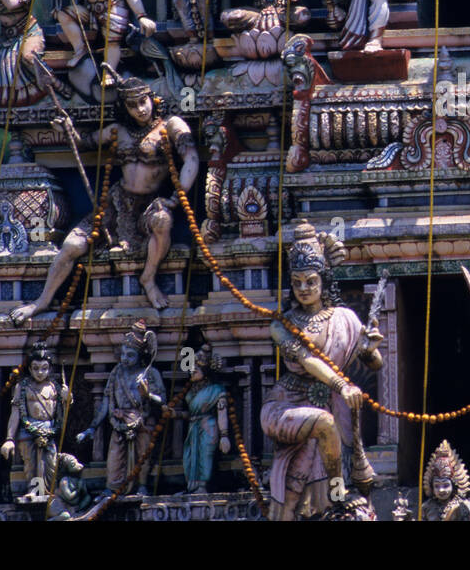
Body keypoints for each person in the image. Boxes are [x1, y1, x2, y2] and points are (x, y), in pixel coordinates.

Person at [8, 74, 200, 322]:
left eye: (143, 102)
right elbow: (84, 143)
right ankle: (41, 302)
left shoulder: (171, 126)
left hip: (149, 206)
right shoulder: (116, 131)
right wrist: (67, 128)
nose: (140, 109)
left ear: (152, 99)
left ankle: (148, 278)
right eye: (133, 105)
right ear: (125, 108)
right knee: (71, 246)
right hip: (116, 205)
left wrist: (176, 198)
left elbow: (192, 159)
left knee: (162, 220)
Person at [260, 222, 384, 520]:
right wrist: (342, 386)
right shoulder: (282, 324)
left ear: (324, 282)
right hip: (286, 403)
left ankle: (330, 502)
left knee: (298, 479)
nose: (303, 289)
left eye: (311, 281)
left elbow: (375, 364)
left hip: (331, 405)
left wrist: (368, 350)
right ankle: (339, 492)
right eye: (297, 282)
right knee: (323, 424)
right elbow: (307, 360)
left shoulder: (344, 318)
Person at [77, 320, 165, 495]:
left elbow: (162, 401)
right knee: (115, 458)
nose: (124, 358)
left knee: (143, 457)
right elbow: (106, 402)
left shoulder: (150, 374)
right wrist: (92, 428)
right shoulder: (117, 372)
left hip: (143, 422)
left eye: (130, 355)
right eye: (123, 354)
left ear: (141, 356)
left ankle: (142, 486)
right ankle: (112, 487)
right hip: (119, 422)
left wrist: (148, 395)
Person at [1, 343, 71, 498]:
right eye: (36, 368)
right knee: (31, 465)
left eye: (44, 368)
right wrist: (9, 438)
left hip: (49, 430)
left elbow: (62, 414)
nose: (40, 372)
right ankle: (34, 491)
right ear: (30, 369)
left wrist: (67, 399)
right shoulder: (23, 386)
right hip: (28, 430)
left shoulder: (55, 387)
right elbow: (15, 413)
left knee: (51, 465)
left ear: (50, 369)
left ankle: (50, 491)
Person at [164, 343, 231, 494]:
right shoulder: (190, 392)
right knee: (189, 457)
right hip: (193, 427)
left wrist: (224, 436)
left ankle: (202, 487)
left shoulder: (216, 390)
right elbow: (191, 414)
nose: (192, 370)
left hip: (209, 426)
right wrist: (175, 415)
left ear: (206, 371)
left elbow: (222, 412)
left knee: (205, 456)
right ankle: (192, 487)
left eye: (196, 368)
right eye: (191, 367)